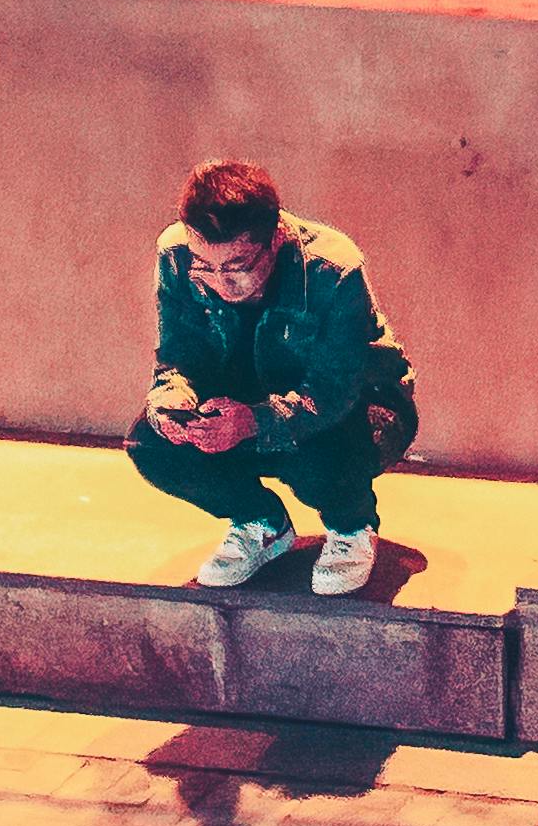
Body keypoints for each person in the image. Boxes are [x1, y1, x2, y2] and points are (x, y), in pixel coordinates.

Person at [128, 159, 418, 599]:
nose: (221, 282)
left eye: (237, 265)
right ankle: (261, 523)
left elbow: (333, 390)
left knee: (316, 454)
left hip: (359, 404)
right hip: (250, 395)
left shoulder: (333, 267)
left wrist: (254, 423)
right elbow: (176, 355)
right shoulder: (176, 254)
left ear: (275, 238)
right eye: (205, 266)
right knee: (151, 445)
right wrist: (173, 402)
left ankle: (351, 524)